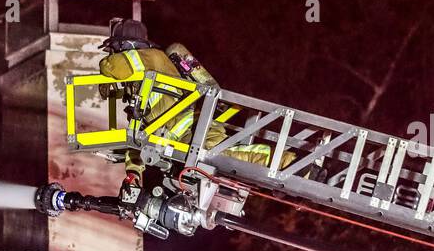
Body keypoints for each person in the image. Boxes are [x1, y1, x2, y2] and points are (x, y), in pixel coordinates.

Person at [97, 19, 291, 179]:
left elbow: (113, 66)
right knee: (224, 160)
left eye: (114, 48)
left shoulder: (148, 57)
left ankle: (289, 163)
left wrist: (105, 73)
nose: (112, 53)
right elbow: (137, 136)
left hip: (194, 129)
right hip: (183, 134)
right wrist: (134, 173)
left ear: (124, 45)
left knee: (226, 156)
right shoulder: (141, 85)